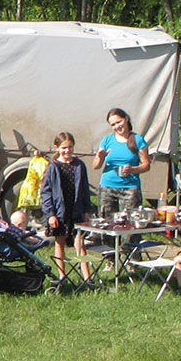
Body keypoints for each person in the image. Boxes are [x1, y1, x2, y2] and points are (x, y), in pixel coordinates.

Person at [38, 132, 93, 283]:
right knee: (59, 242)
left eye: (70, 147)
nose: (67, 151)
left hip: (76, 210)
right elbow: (46, 191)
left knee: (80, 243)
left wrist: (87, 210)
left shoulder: (79, 165)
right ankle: (62, 276)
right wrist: (50, 214)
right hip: (60, 211)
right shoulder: (53, 166)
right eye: (63, 148)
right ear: (57, 147)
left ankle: (87, 278)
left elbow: (84, 190)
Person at [93, 107, 150, 219]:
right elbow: (95, 166)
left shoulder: (138, 140)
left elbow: (146, 165)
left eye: (119, 122)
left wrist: (132, 170)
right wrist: (100, 157)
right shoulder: (107, 140)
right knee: (106, 224)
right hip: (107, 187)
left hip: (130, 188)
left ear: (126, 119)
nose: (117, 126)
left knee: (129, 225)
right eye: (113, 125)